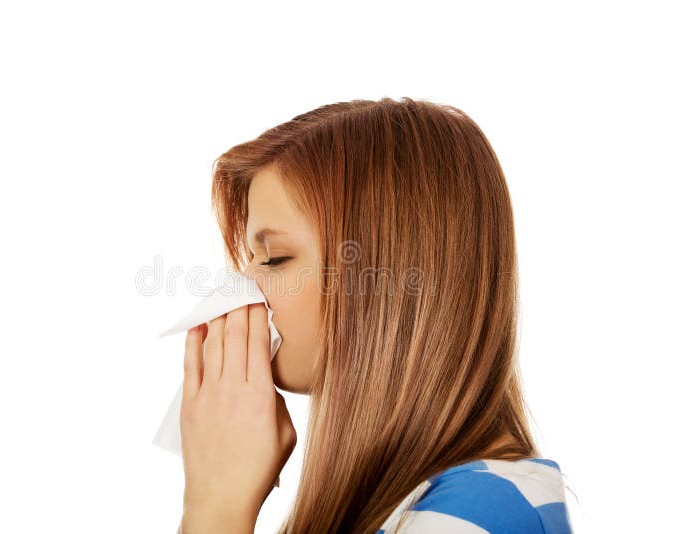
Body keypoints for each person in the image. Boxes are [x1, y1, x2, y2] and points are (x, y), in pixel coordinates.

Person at [176, 97, 574, 533]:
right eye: (249, 260)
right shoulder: (413, 505)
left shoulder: (479, 512)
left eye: (273, 259)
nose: (245, 290)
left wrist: (215, 505)